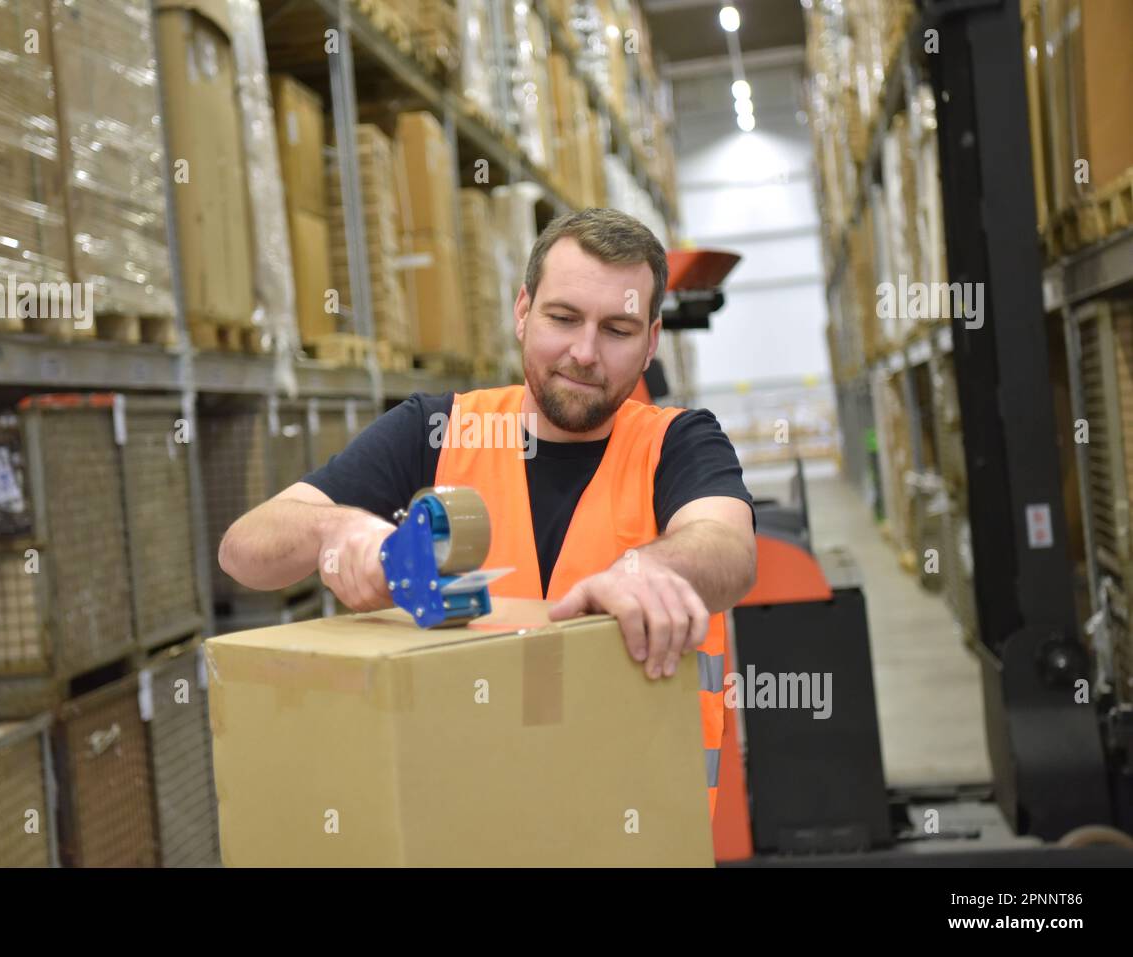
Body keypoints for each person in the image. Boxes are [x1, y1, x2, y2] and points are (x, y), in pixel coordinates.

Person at [220, 208, 757, 808]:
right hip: (467, 824)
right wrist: (339, 527)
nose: (584, 352)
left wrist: (650, 569)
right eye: (563, 317)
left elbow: (727, 547)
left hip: (636, 828)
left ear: (651, 341)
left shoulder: (678, 441)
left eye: (617, 329)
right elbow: (244, 550)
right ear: (523, 312)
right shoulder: (436, 430)